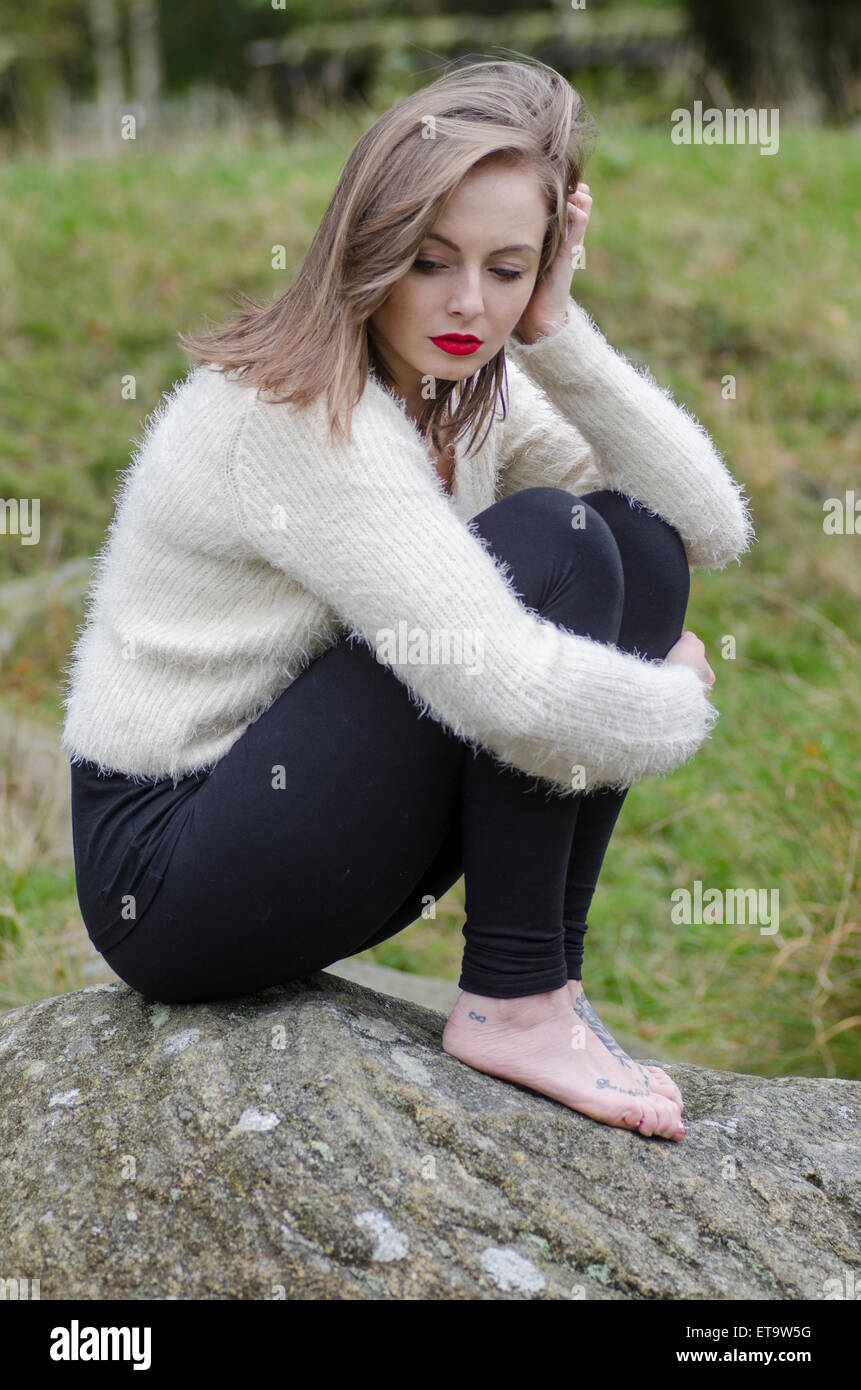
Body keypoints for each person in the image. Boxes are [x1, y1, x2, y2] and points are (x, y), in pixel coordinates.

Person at [62, 57, 754, 1144]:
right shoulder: (301, 414)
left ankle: (543, 987)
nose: (468, 302)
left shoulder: (456, 389)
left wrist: (559, 333)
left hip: (294, 818)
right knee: (556, 541)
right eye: (430, 261)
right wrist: (668, 701)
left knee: (635, 542)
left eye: (507, 267)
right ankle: (515, 996)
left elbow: (705, 523)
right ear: (369, 242)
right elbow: (509, 690)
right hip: (172, 863)